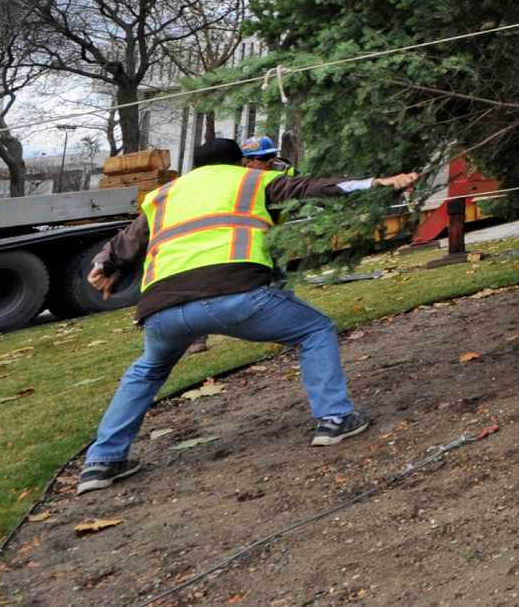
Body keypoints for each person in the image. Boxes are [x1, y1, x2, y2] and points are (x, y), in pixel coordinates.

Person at [74, 136, 418, 494]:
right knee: (315, 330)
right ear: (240, 162)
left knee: (147, 370)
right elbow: (316, 188)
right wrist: (378, 183)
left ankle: (102, 462)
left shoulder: (164, 194)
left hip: (162, 309)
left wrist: (103, 265)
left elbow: (126, 241)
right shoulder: (251, 179)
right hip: (237, 294)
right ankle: (335, 418)